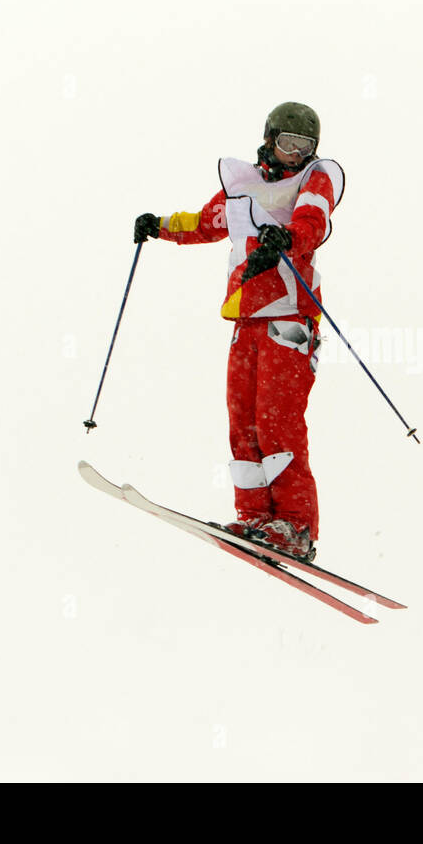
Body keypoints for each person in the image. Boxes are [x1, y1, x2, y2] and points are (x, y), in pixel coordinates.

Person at [132, 102, 344, 563]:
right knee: (244, 421)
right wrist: (161, 227)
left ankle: (295, 525)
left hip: (288, 318)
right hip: (245, 318)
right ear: (269, 139)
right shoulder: (244, 185)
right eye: (287, 144)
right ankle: (254, 516)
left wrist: (286, 239)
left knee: (277, 420)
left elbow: (313, 221)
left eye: (303, 147)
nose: (294, 154)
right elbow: (208, 222)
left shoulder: (314, 180)